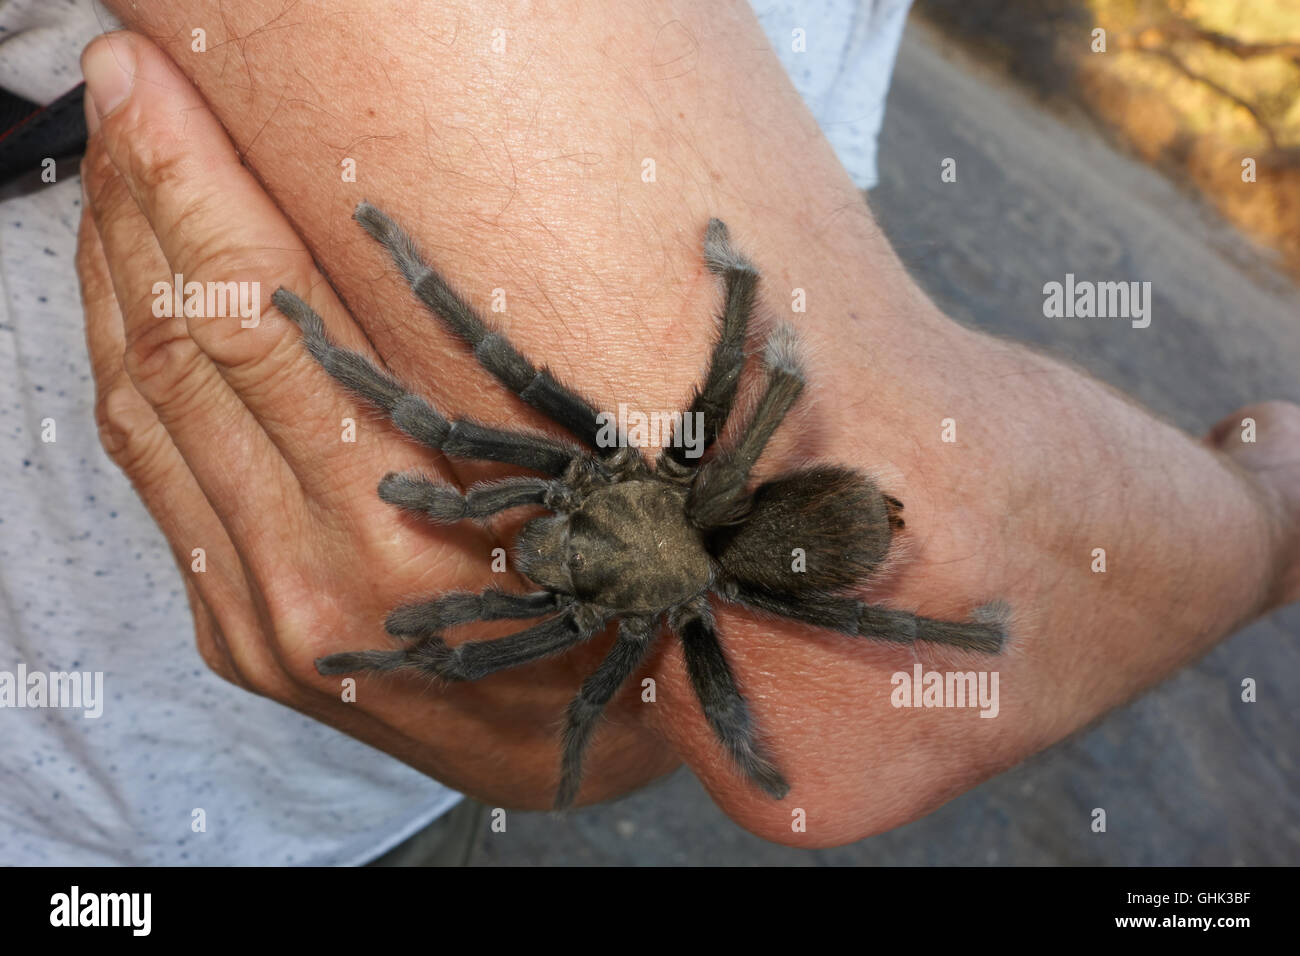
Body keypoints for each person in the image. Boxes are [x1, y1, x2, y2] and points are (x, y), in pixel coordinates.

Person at [66, 0, 1300, 850]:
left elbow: (782, 710)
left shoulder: (618, 494)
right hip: (301, 796)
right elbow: (738, 405)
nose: (540, 540)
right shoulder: (653, 498)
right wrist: (1269, 512)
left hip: (302, 803)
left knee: (498, 409)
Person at [0, 0, 924, 862]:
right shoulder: (685, 502)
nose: (546, 543)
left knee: (499, 395)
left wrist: (584, 758)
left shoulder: (641, 480)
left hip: (364, 822)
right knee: (495, 384)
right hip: (127, 804)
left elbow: (774, 330)